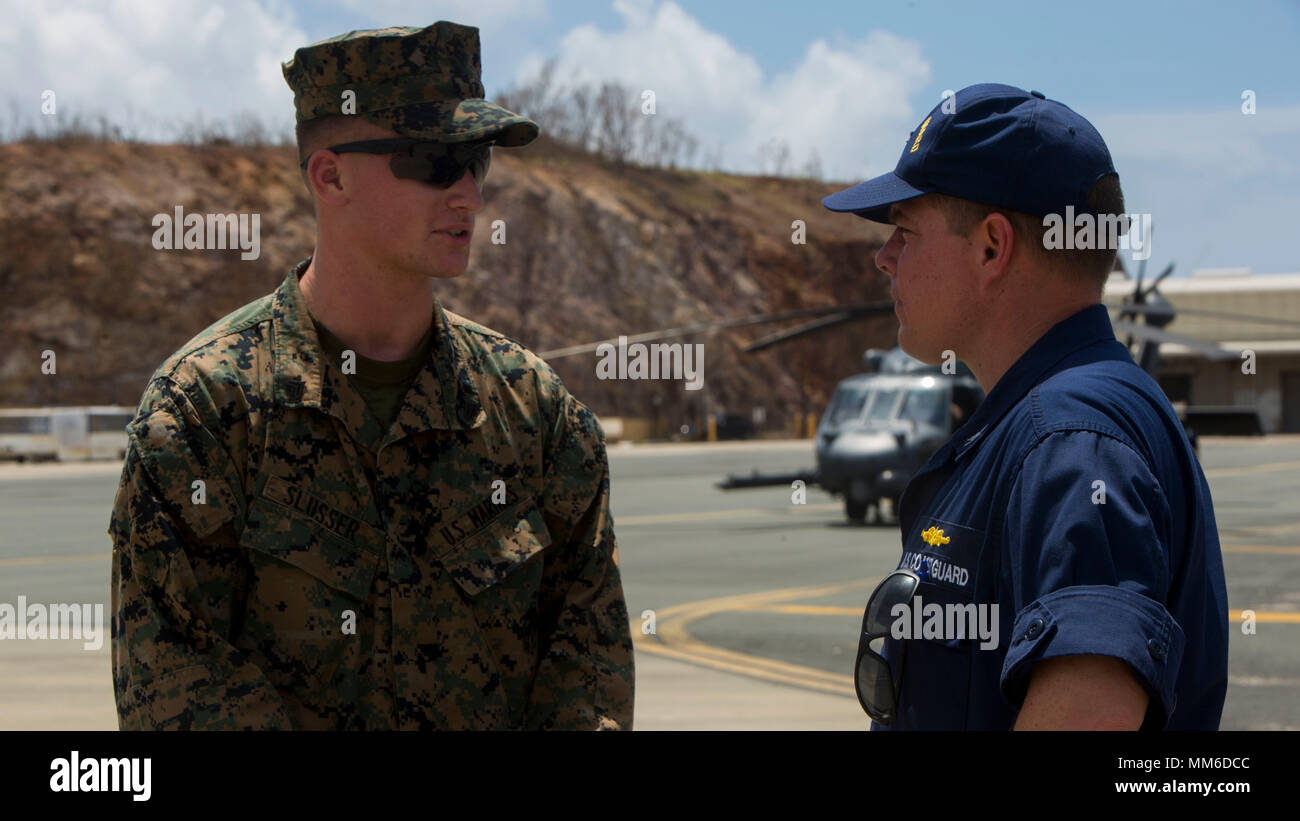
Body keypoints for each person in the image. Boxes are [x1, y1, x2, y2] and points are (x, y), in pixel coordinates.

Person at [109, 21, 635, 730]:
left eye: (475, 161)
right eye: (433, 161)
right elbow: (179, 695)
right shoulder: (203, 416)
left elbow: (587, 682)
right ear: (330, 176)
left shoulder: (537, 417)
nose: (470, 197)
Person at [827, 83, 1227, 730]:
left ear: (991, 247)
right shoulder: (1043, 427)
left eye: (904, 231)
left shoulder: (1070, 441)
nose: (883, 258)